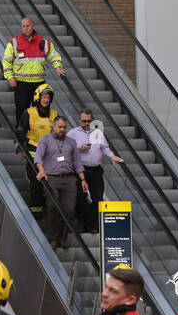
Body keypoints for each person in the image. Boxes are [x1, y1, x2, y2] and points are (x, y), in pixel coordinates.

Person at [33, 116, 88, 249]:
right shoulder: (45, 140)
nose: (62, 129)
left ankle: (62, 238)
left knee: (69, 210)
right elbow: (38, 158)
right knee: (52, 207)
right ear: (53, 126)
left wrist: (83, 179)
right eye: (60, 127)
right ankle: (52, 238)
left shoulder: (71, 142)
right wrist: (42, 171)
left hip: (69, 179)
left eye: (64, 127)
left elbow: (77, 162)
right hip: (52, 178)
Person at [67, 110, 124, 234]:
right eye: (84, 121)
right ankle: (82, 223)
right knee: (80, 197)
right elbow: (66, 149)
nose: (86, 123)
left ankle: (92, 223)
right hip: (81, 170)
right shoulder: (73, 133)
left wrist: (112, 156)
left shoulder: (97, 132)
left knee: (98, 198)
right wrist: (79, 148)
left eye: (88, 121)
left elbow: (104, 147)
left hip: (96, 170)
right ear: (79, 120)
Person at [3, 16, 66, 115]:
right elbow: (6, 61)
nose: (26, 28)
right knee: (21, 108)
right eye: (23, 26)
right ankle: (21, 130)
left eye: (28, 25)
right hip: (21, 83)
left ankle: (40, 130)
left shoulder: (43, 42)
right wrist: (10, 77)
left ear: (33, 26)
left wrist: (57, 67)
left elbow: (54, 55)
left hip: (39, 83)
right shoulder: (14, 42)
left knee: (41, 109)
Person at [15, 83, 59, 217]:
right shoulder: (29, 113)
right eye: (44, 97)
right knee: (35, 181)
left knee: (50, 182)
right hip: (33, 153)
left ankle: (46, 207)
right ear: (38, 98)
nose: (46, 100)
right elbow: (21, 131)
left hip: (50, 155)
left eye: (48, 97)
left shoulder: (55, 114)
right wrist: (19, 148)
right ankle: (36, 211)